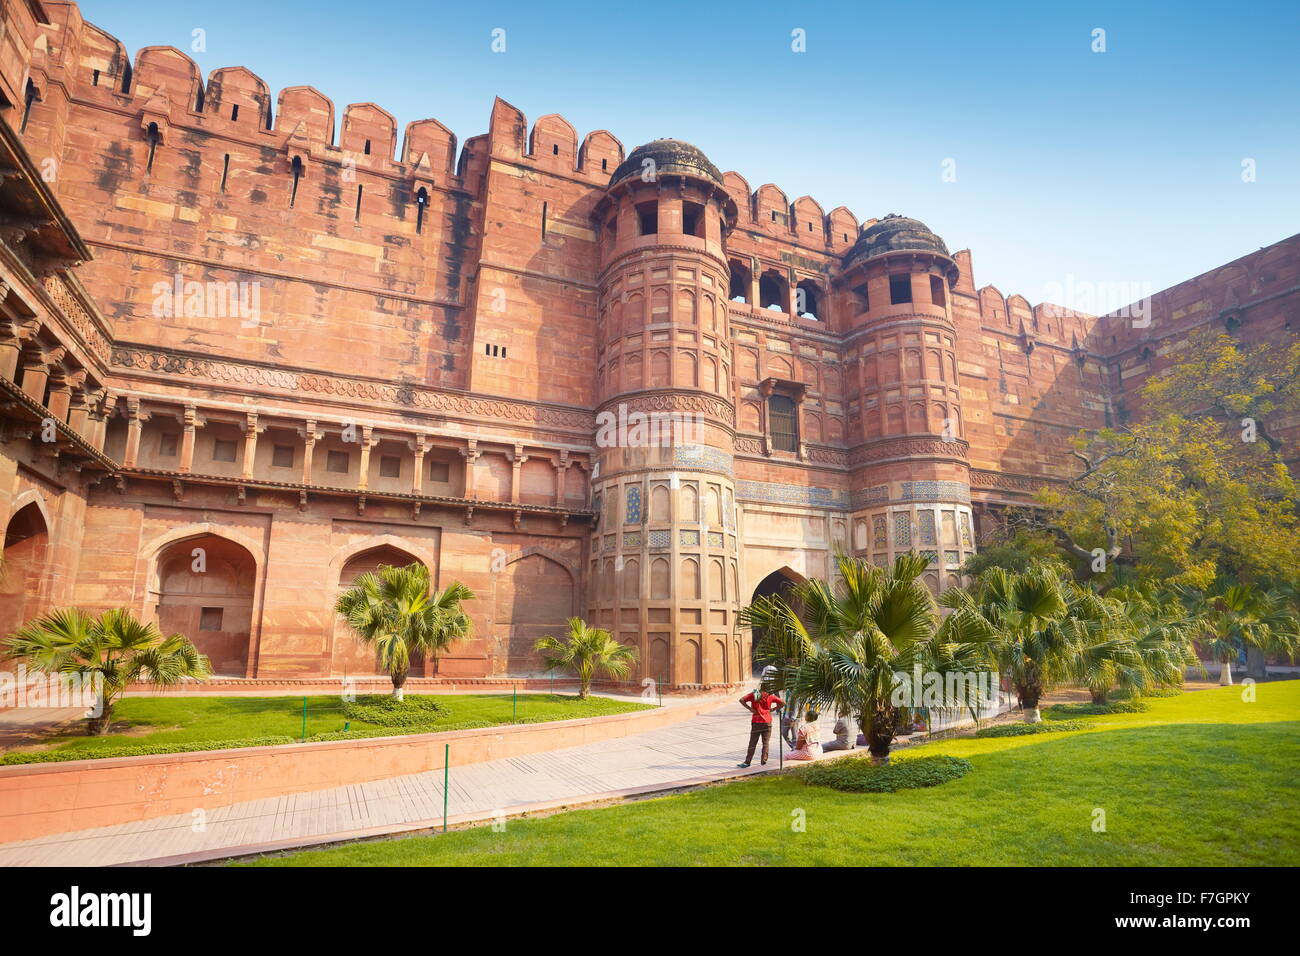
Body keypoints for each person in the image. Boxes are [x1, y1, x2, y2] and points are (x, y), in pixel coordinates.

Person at [738, 680, 784, 767]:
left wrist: (750, 709)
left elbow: (741, 700)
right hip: (767, 721)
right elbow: (783, 702)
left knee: (753, 742)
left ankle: (747, 762)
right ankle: (763, 760)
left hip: (756, 721)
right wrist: (773, 709)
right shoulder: (770, 696)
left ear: (761, 687)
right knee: (766, 742)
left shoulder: (755, 694)